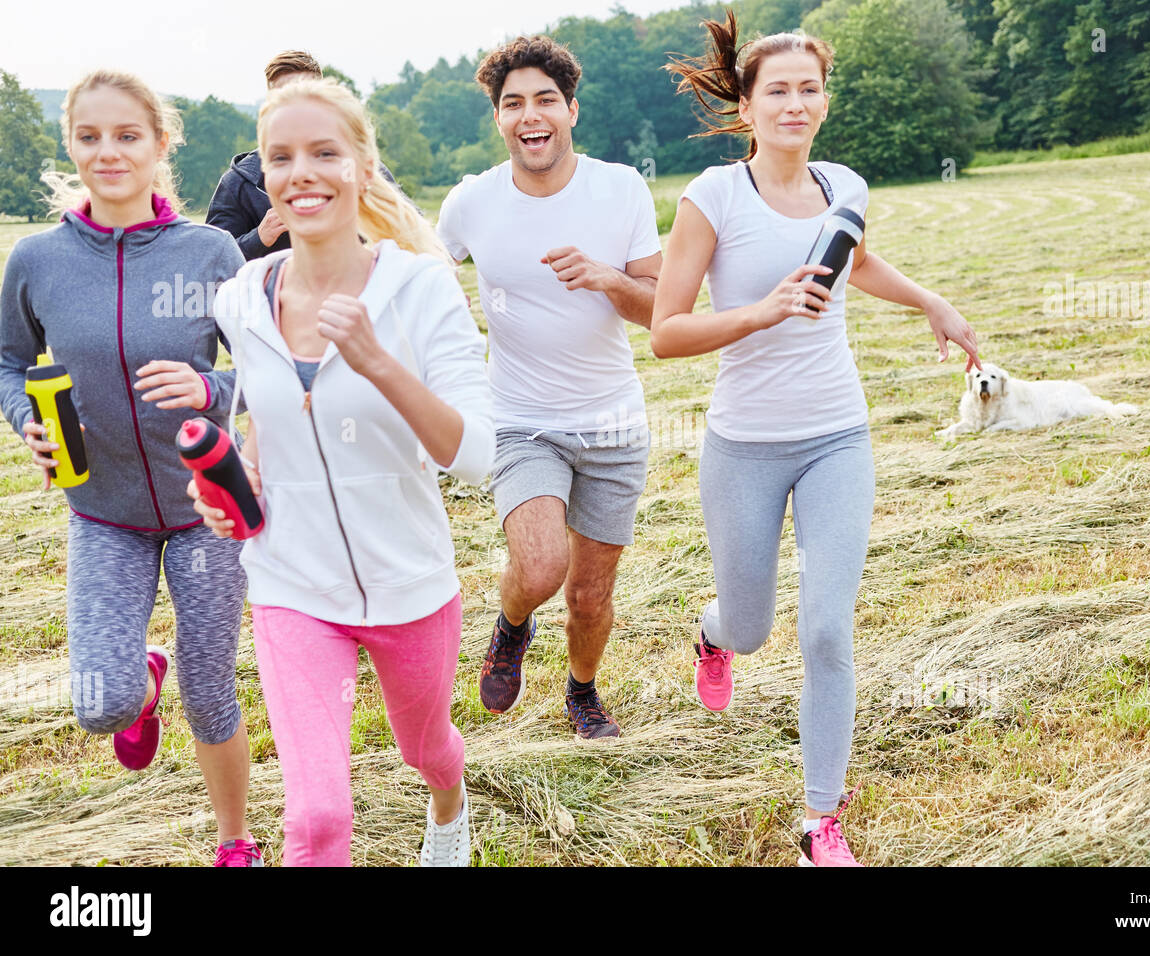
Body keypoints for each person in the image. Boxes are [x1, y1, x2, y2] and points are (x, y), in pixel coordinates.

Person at [652, 13, 982, 866]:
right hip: (744, 445)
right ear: (750, 106)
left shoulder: (845, 185)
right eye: (779, 91)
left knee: (828, 631)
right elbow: (666, 331)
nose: (795, 104)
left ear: (824, 101)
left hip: (838, 433)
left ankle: (819, 823)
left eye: (809, 89)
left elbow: (859, 264)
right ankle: (714, 632)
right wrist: (762, 311)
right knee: (756, 627)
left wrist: (932, 302)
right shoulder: (712, 197)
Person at [191, 77, 494, 867]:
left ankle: (448, 803)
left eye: (324, 152)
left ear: (362, 165)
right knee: (318, 817)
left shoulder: (422, 290)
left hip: (410, 582)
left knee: (427, 748)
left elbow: (478, 457)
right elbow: (259, 425)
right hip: (293, 584)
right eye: (281, 157)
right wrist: (229, 485)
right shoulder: (240, 301)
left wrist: (376, 362)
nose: (302, 173)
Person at [0, 70, 260, 866]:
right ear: (70, 144)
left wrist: (210, 386)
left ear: (160, 143)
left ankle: (234, 842)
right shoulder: (37, 261)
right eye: (89, 137)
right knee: (98, 706)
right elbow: (9, 363)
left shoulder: (211, 252)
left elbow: (269, 368)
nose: (106, 152)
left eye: (126, 136)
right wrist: (27, 424)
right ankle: (138, 683)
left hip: (205, 508)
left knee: (211, 691)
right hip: (102, 510)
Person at [435, 35, 661, 740]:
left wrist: (608, 278)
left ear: (571, 111)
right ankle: (510, 628)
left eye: (544, 101)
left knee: (590, 596)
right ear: (499, 119)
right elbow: (420, 286)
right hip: (519, 417)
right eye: (513, 104)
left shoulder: (620, 188)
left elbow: (660, 307)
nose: (530, 116)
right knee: (540, 566)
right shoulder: (471, 201)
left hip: (612, 423)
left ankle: (582, 693)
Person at [206, 50, 405, 260]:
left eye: (306, 97)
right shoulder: (238, 183)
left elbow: (408, 234)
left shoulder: (363, 169)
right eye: (283, 99)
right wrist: (258, 238)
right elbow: (210, 264)